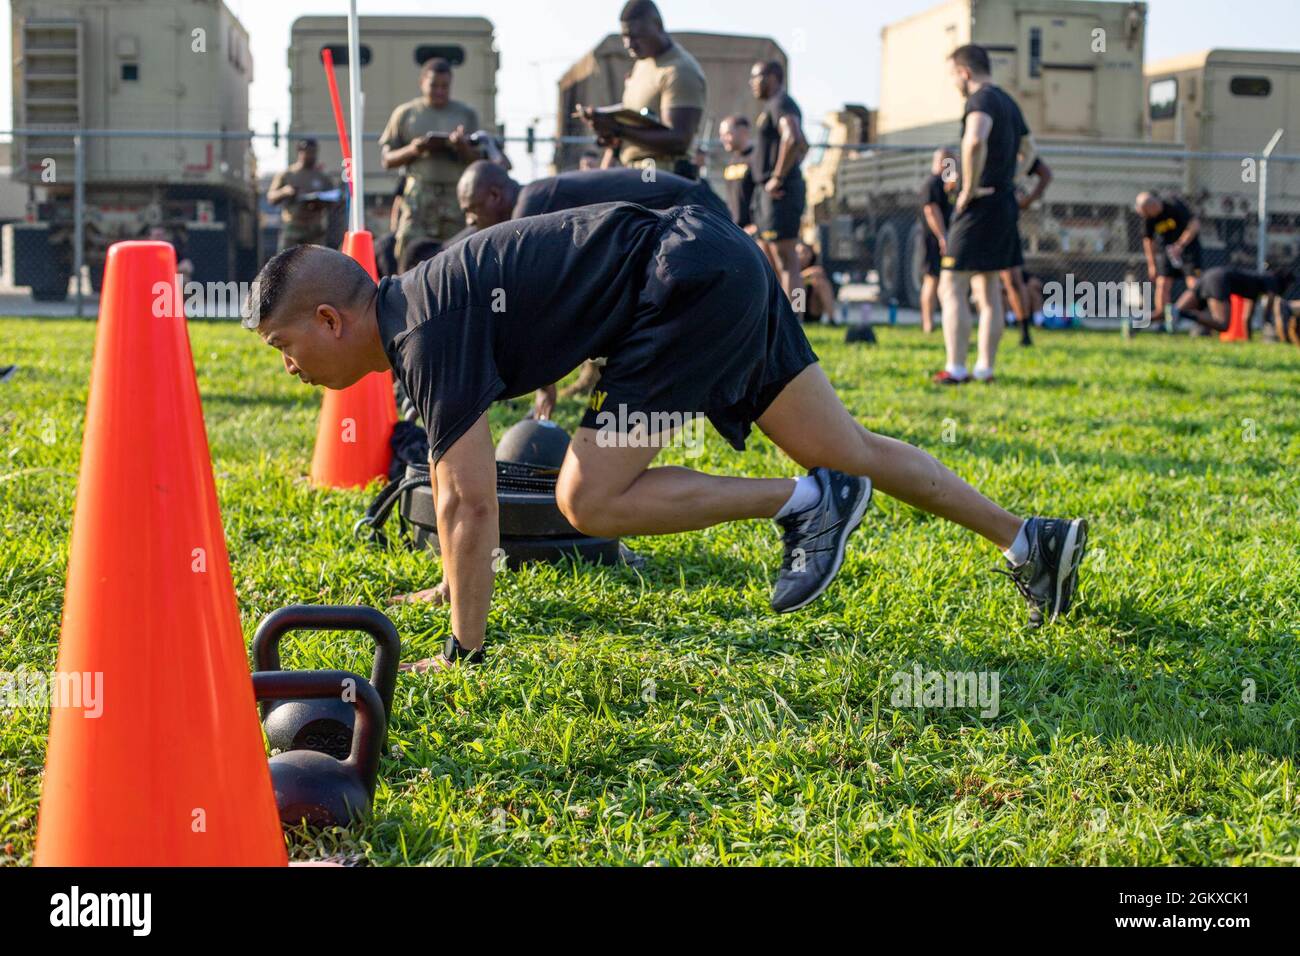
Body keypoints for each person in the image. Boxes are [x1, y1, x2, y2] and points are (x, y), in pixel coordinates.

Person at [245, 202, 1088, 670]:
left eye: (286, 348)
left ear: (328, 319)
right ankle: (1030, 541)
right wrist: (446, 586)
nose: (289, 368)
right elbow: (462, 497)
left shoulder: (423, 329)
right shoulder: (420, 308)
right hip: (717, 262)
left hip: (684, 286)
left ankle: (805, 504)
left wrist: (463, 649)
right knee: (849, 447)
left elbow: (468, 503)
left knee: (587, 496)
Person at [455, 160, 730, 413]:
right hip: (686, 219)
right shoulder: (536, 196)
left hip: (694, 214)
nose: (469, 221)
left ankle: (707, 395)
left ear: (494, 195)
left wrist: (543, 386)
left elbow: (534, 302)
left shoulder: (530, 206)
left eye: (471, 209)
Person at [935, 44, 1035, 385]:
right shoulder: (1008, 102)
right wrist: (1010, 179)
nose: (952, 83)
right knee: (989, 290)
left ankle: (956, 367)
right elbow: (1031, 151)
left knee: (951, 285)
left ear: (965, 73)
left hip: (978, 206)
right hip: (1004, 203)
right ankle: (985, 368)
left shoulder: (979, 101)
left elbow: (974, 141)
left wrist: (969, 188)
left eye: (951, 76)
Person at [577, 0, 707, 180]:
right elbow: (637, 125)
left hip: (662, 176)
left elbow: (679, 140)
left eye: (636, 36)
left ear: (657, 26)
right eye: (624, 36)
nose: (628, 44)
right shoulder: (641, 65)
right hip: (636, 171)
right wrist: (610, 131)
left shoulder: (680, 70)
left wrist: (618, 128)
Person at [380, 58, 483, 265]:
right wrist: (415, 149)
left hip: (456, 197)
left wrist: (463, 147)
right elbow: (387, 159)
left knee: (457, 255)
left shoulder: (466, 114)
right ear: (422, 83)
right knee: (409, 253)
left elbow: (481, 160)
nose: (439, 91)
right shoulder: (406, 114)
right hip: (419, 197)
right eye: (434, 85)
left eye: (445, 86)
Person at [749, 60, 809, 308]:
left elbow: (793, 138)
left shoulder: (781, 102)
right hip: (768, 193)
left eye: (756, 76)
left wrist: (779, 176)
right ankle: (779, 318)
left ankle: (795, 320)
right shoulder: (774, 105)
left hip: (780, 192)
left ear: (773, 77)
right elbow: (803, 145)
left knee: (788, 262)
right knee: (770, 258)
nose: (752, 83)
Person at [1001, 156, 1053, 347]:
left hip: (1003, 224)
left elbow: (1045, 174)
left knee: (1012, 280)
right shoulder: (979, 140)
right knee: (978, 283)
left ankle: (1024, 332)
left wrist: (1028, 200)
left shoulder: (1015, 142)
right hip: (981, 220)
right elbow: (951, 169)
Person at [1135, 191, 1203, 327]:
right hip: (1166, 252)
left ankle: (1200, 321)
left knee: (1194, 284)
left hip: (1188, 250)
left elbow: (1194, 225)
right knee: (1162, 284)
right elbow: (1148, 241)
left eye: (1147, 212)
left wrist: (1180, 245)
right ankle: (1162, 319)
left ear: (1153, 205)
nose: (1146, 216)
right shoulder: (1148, 217)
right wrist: (1152, 265)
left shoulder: (1174, 205)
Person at [1169, 265, 1293, 336]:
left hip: (1211, 274)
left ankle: (1152, 318)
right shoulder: (1272, 281)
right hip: (1219, 279)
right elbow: (1269, 307)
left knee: (1172, 310)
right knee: (1223, 324)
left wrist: (1248, 341)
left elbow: (1246, 318)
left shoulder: (1258, 283)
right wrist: (1268, 322)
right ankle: (1185, 314)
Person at [267, 138, 336, 251]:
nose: (310, 155)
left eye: (313, 152)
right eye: (307, 152)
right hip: (293, 227)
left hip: (314, 229)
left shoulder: (322, 177)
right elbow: (271, 197)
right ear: (300, 152)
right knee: (287, 264)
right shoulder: (287, 175)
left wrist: (321, 201)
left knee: (316, 264)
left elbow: (333, 199)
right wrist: (285, 192)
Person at [919, 148, 956, 335]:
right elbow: (931, 211)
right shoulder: (932, 183)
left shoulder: (946, 184)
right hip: (935, 240)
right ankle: (927, 324)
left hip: (945, 238)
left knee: (943, 281)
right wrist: (942, 237)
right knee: (932, 279)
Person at [719, 115, 757, 235]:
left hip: (753, 230)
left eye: (727, 134)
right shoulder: (732, 161)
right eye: (721, 135)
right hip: (734, 228)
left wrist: (757, 225)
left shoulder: (757, 158)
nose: (723, 139)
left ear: (743, 132)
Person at [796, 242, 836, 323]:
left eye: (805, 252)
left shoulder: (816, 267)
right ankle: (797, 319)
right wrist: (807, 273)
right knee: (798, 286)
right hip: (796, 307)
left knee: (822, 283)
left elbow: (821, 274)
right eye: (798, 253)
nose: (802, 255)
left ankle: (832, 320)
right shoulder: (790, 269)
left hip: (813, 310)